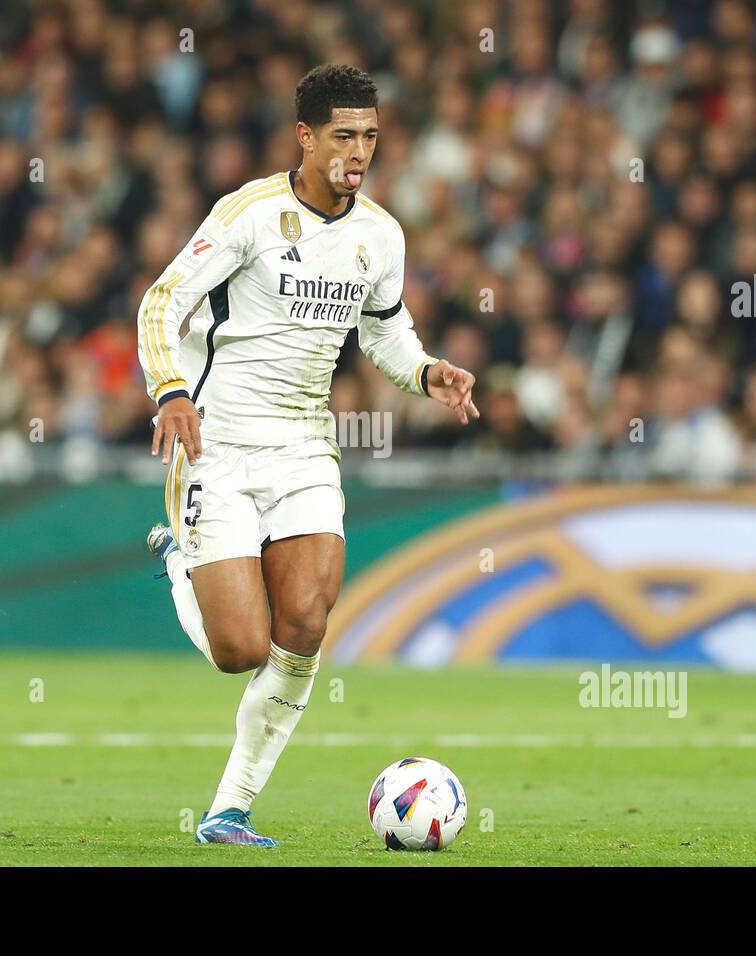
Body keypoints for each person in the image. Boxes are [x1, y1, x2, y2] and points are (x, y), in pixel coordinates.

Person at [135, 64, 479, 846]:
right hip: (217, 442)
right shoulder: (249, 215)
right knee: (239, 651)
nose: (358, 152)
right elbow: (162, 302)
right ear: (306, 136)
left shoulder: (379, 235)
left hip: (304, 448)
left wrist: (428, 373)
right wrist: (171, 391)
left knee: (308, 622)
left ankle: (230, 809)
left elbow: (385, 334)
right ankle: (180, 558)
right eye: (343, 136)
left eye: (369, 137)